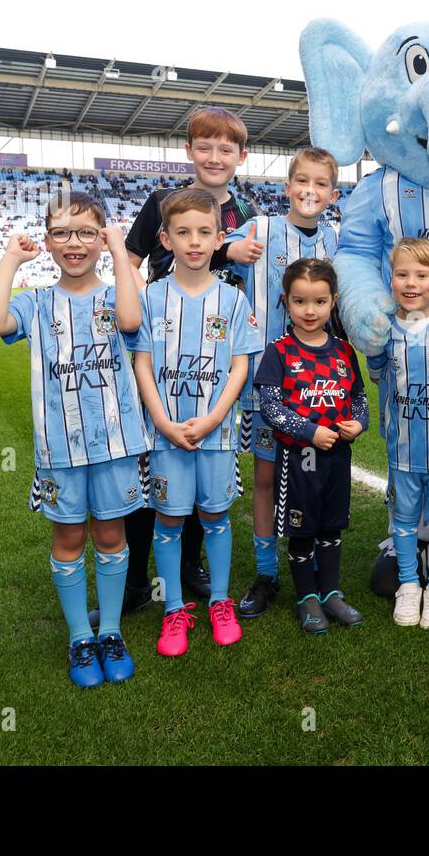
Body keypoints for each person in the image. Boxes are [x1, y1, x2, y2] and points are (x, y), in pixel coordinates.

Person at [0, 191, 149, 688]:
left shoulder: (117, 297)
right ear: (48, 241)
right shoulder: (36, 303)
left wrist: (120, 253)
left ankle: (111, 631)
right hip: (61, 451)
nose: (75, 243)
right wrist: (11, 258)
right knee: (70, 537)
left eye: (87, 233)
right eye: (62, 233)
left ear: (101, 238)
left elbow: (133, 321)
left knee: (112, 536)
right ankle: (79, 636)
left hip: (116, 444)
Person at [119, 106, 258, 616]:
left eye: (226, 149)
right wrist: (141, 306)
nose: (215, 157)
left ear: (241, 157)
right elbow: (130, 264)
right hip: (163, 339)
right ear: (189, 150)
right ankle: (139, 583)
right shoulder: (162, 202)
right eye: (205, 147)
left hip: (218, 345)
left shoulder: (246, 213)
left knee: (207, 488)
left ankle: (194, 570)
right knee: (156, 480)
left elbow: (254, 274)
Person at [222, 148, 341, 620]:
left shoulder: (335, 237)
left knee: (315, 478)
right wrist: (228, 250)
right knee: (266, 477)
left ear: (332, 194)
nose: (310, 191)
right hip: (267, 382)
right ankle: (267, 572)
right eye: (302, 182)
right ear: (287, 186)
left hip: (320, 387)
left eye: (320, 185)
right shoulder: (261, 228)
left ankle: (314, 575)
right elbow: (204, 248)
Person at [253, 258, 369, 634]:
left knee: (332, 527)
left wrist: (359, 423)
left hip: (337, 458)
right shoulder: (279, 352)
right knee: (302, 530)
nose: (310, 310)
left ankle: (330, 592)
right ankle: (306, 597)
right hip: (298, 460)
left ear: (333, 301)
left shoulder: (344, 351)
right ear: (286, 301)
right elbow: (269, 406)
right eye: (300, 301)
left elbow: (359, 399)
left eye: (319, 302)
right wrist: (308, 431)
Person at [366, 238, 429, 629]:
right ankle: (409, 584)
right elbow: (377, 377)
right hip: (402, 450)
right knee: (403, 521)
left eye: (421, 275)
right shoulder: (382, 329)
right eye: (401, 274)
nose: (410, 283)